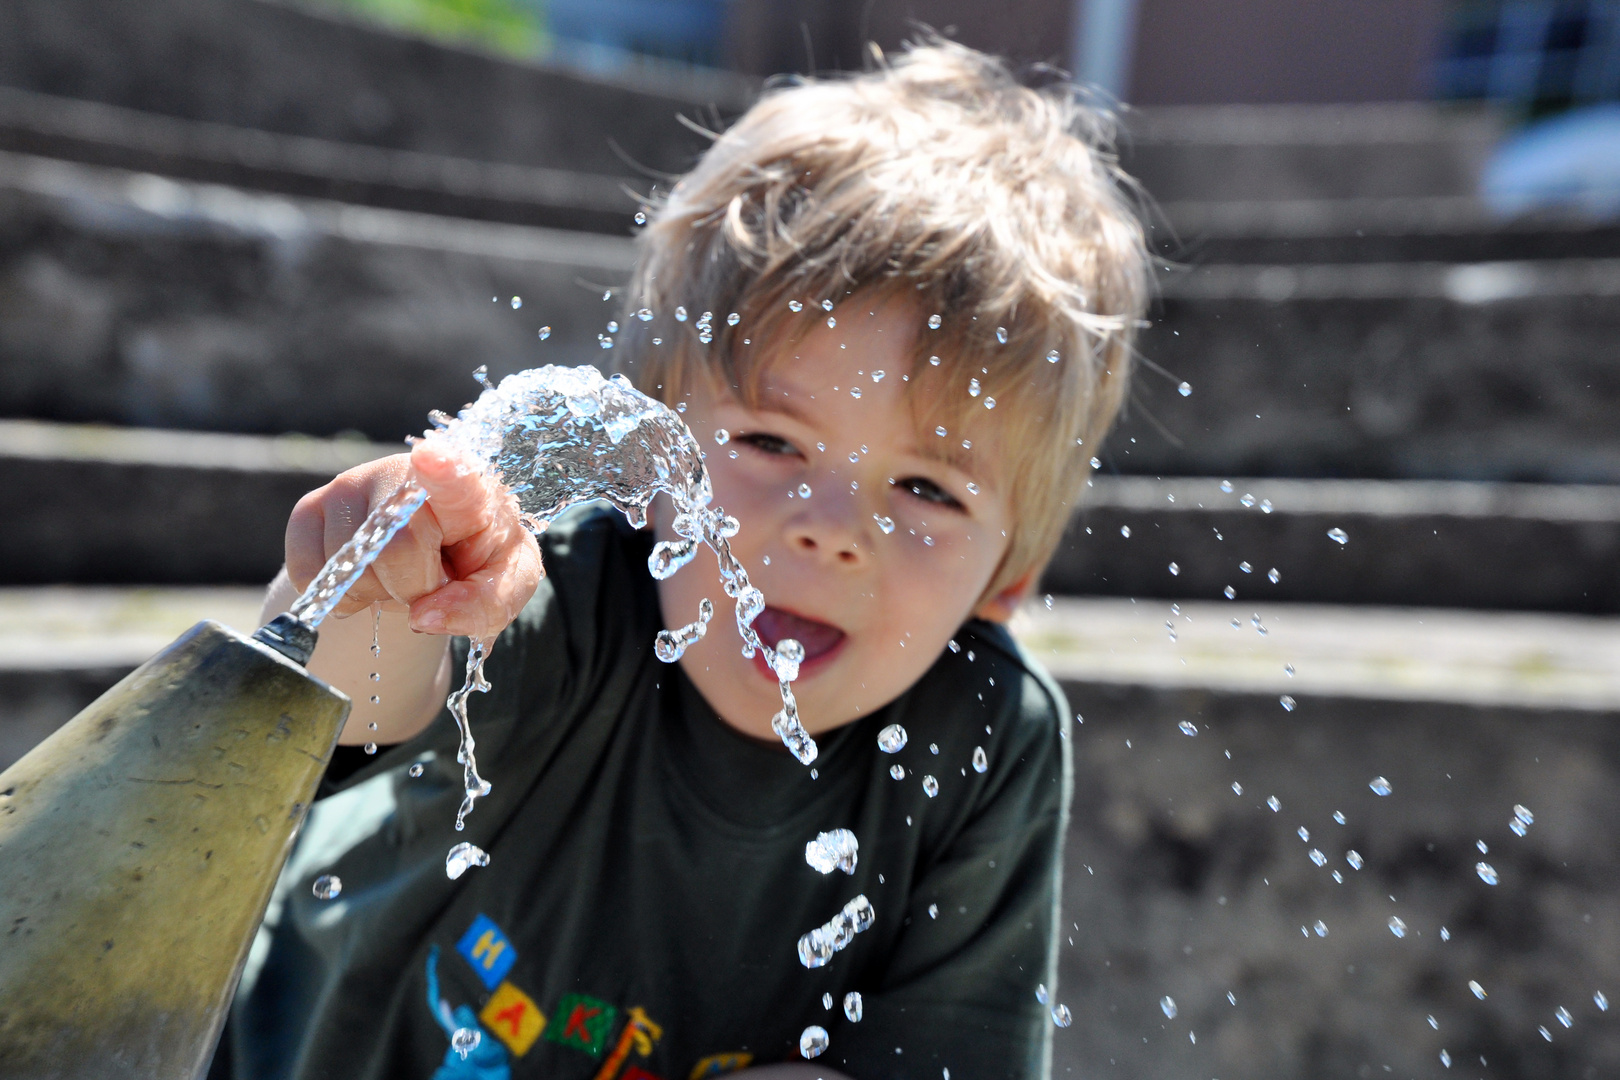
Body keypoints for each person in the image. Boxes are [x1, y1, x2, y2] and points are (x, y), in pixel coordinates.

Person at [219, 39, 1150, 1080]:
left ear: (1008, 579)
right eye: (770, 444)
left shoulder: (980, 747)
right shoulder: (573, 599)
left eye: (928, 489)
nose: (831, 529)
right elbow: (365, 704)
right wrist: (368, 587)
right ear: (653, 460)